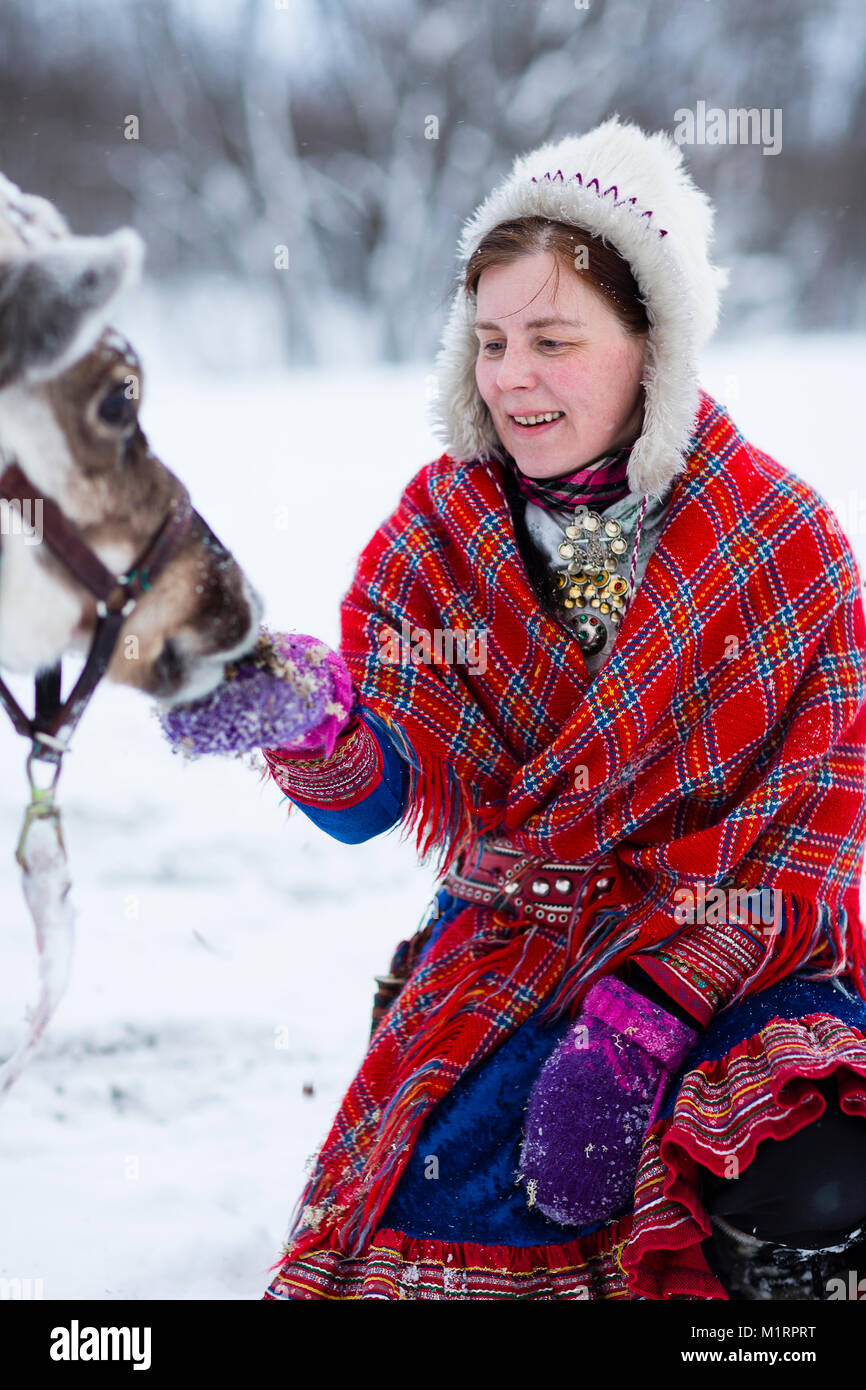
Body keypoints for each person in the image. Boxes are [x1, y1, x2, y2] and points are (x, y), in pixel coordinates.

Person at [159, 116, 866, 1301]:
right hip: (517, 952)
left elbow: (814, 847)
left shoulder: (783, 546)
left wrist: (644, 1017)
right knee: (454, 1199)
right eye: (488, 341)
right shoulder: (438, 535)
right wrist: (304, 722)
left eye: (552, 337)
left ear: (653, 346)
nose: (511, 376)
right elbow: (378, 786)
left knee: (812, 1178)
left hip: (734, 961)